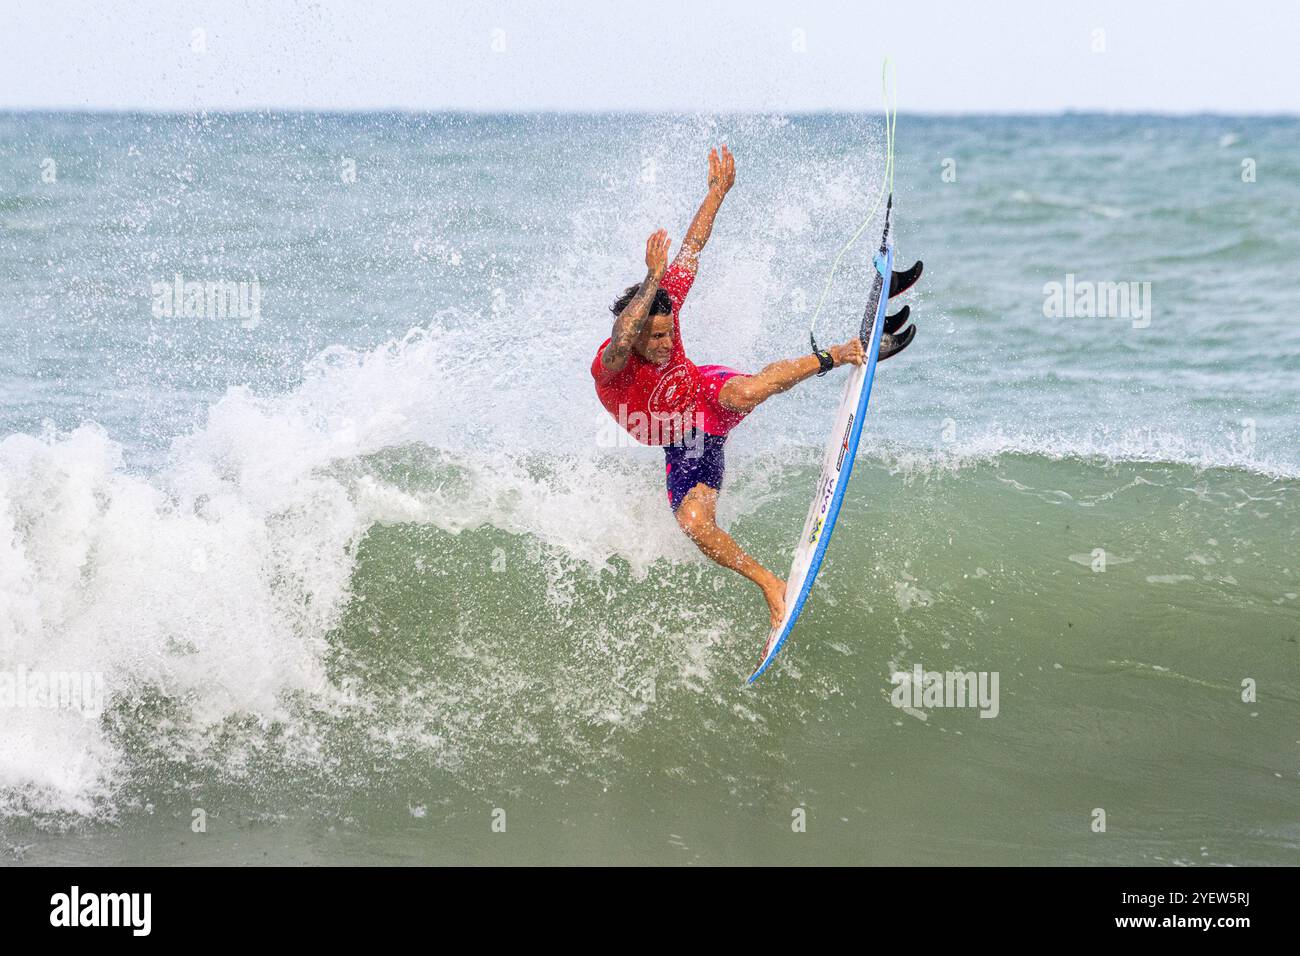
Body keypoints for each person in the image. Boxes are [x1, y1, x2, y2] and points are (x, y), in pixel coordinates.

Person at [591, 145, 914, 627]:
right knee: (696, 525)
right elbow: (622, 335)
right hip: (687, 442)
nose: (666, 341)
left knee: (746, 390)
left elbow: (692, 250)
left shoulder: (667, 312)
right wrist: (650, 278)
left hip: (707, 394)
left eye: (667, 332)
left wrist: (717, 193)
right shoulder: (610, 364)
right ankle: (770, 584)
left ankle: (841, 352)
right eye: (655, 337)